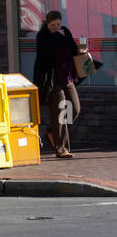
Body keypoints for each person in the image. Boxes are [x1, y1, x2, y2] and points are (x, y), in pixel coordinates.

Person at [33, 11, 88, 159]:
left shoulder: (66, 32)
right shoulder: (43, 36)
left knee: (75, 109)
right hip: (53, 81)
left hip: (67, 78)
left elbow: (72, 50)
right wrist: (57, 36)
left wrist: (80, 50)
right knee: (60, 114)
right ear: (47, 23)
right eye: (52, 25)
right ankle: (61, 149)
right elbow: (46, 53)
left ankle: (52, 131)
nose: (56, 27)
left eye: (58, 24)